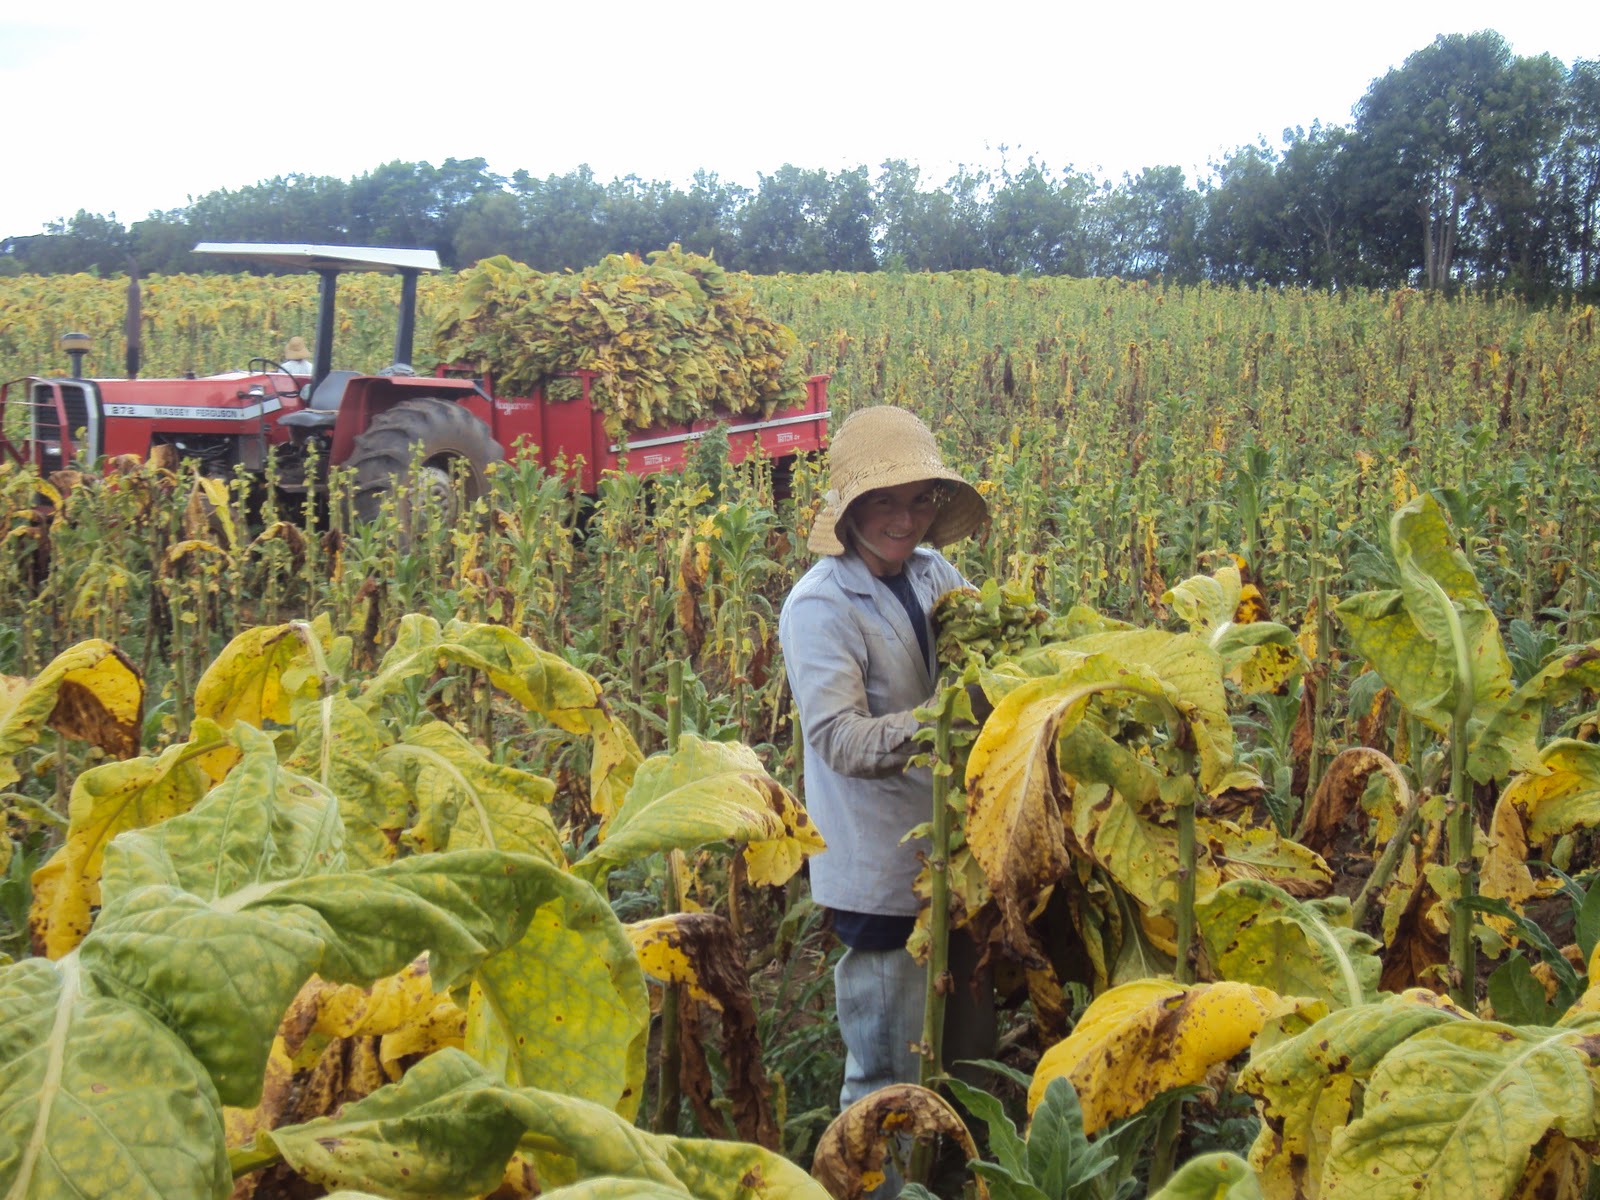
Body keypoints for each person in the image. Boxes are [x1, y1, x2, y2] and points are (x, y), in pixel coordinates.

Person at [778, 405, 996, 1112]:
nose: (904, 520)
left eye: (918, 501)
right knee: (889, 1082)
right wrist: (943, 720)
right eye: (883, 503)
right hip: (880, 869)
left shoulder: (934, 572)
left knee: (967, 1061)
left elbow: (977, 658)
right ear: (849, 510)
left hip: (956, 857)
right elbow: (840, 738)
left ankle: (953, 1182)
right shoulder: (820, 605)